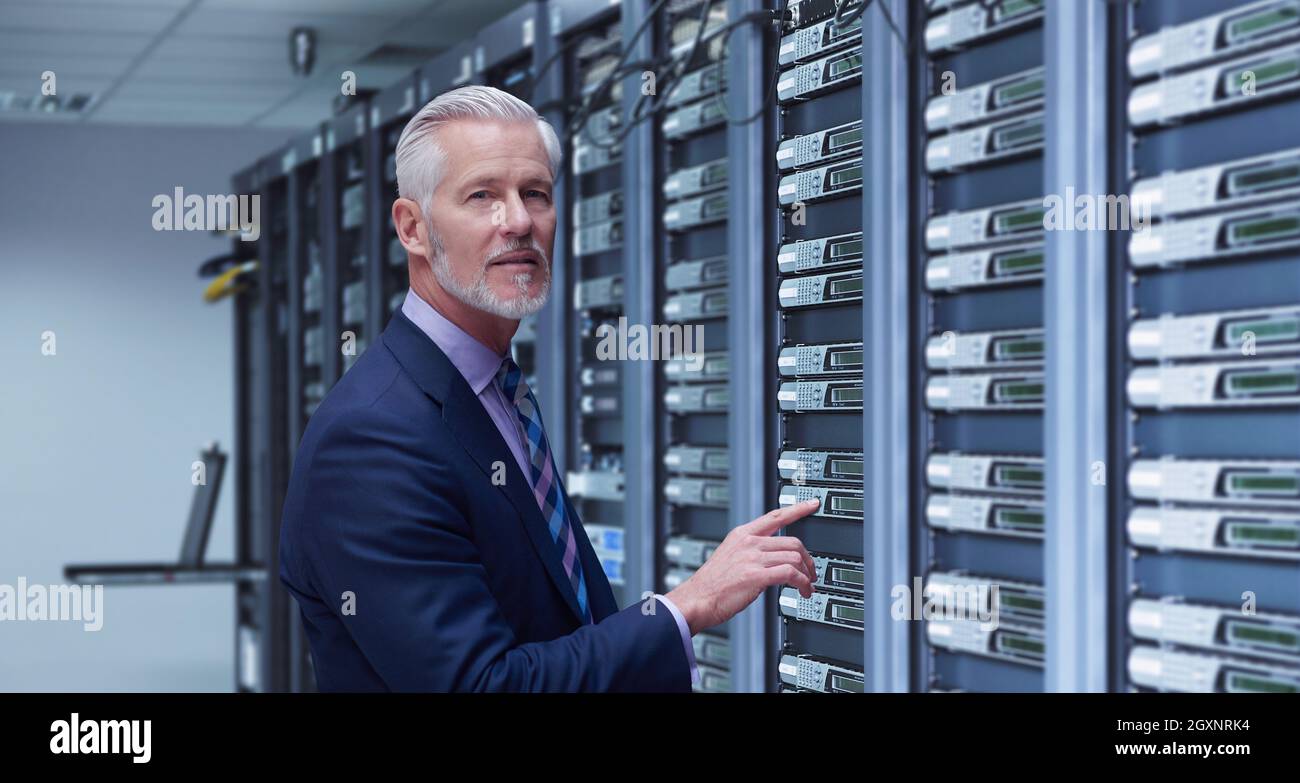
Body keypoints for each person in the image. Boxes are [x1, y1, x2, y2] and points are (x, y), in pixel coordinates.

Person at [279, 85, 820, 692]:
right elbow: (483, 685)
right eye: (482, 195)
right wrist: (687, 606)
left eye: (534, 193)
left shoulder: (493, 392)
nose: (517, 221)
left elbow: (560, 622)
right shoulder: (370, 439)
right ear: (413, 228)